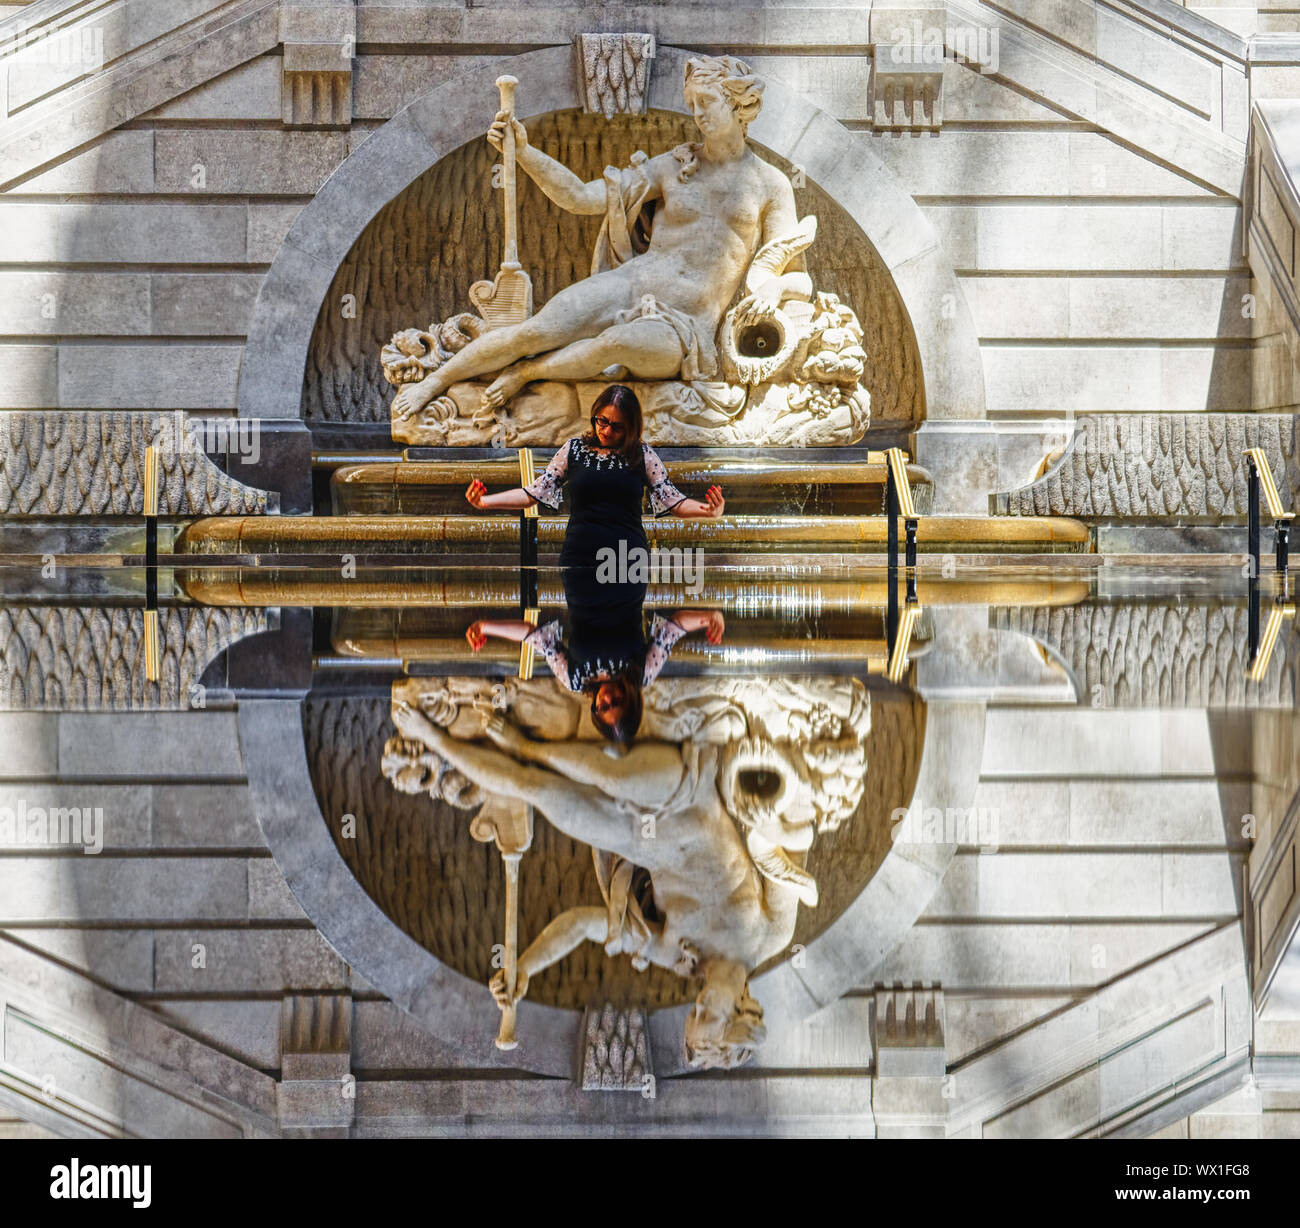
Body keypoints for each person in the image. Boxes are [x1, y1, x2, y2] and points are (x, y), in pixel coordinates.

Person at [391, 55, 808, 418]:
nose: (698, 114)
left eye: (708, 102)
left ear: (741, 105)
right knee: (533, 332)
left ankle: (527, 372)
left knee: (616, 343)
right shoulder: (673, 167)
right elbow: (581, 198)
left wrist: (773, 293)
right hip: (630, 284)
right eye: (692, 104)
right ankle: (435, 382)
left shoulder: (769, 185)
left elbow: (796, 276)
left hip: (684, 325)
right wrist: (524, 153)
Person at [464, 383, 723, 570]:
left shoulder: (642, 454)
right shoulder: (574, 449)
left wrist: (708, 510)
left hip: (626, 561)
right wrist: (485, 502)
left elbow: (672, 500)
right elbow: (533, 493)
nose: (607, 430)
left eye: (617, 426)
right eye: (602, 421)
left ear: (631, 428)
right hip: (580, 556)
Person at [466, 598, 725, 744]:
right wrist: (708, 618)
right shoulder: (642, 672)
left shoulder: (575, 679)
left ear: (595, 711)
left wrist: (486, 626)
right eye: (617, 702)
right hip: (623, 574)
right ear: (631, 699)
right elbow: (674, 628)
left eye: (603, 707)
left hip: (581, 579)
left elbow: (535, 638)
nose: (607, 698)